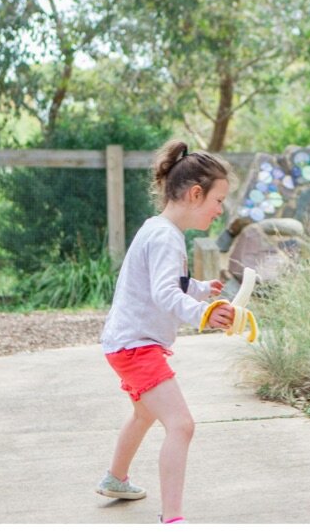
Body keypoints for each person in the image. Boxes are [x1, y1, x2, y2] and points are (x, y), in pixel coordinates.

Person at [98, 143, 235, 520]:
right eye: (218, 200)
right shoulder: (165, 237)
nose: (220, 209)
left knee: (144, 415)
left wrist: (201, 289)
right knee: (181, 425)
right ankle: (172, 519)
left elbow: (167, 281)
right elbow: (163, 293)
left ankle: (115, 478)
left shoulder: (158, 230)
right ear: (195, 194)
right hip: (136, 347)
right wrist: (205, 313)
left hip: (126, 344)